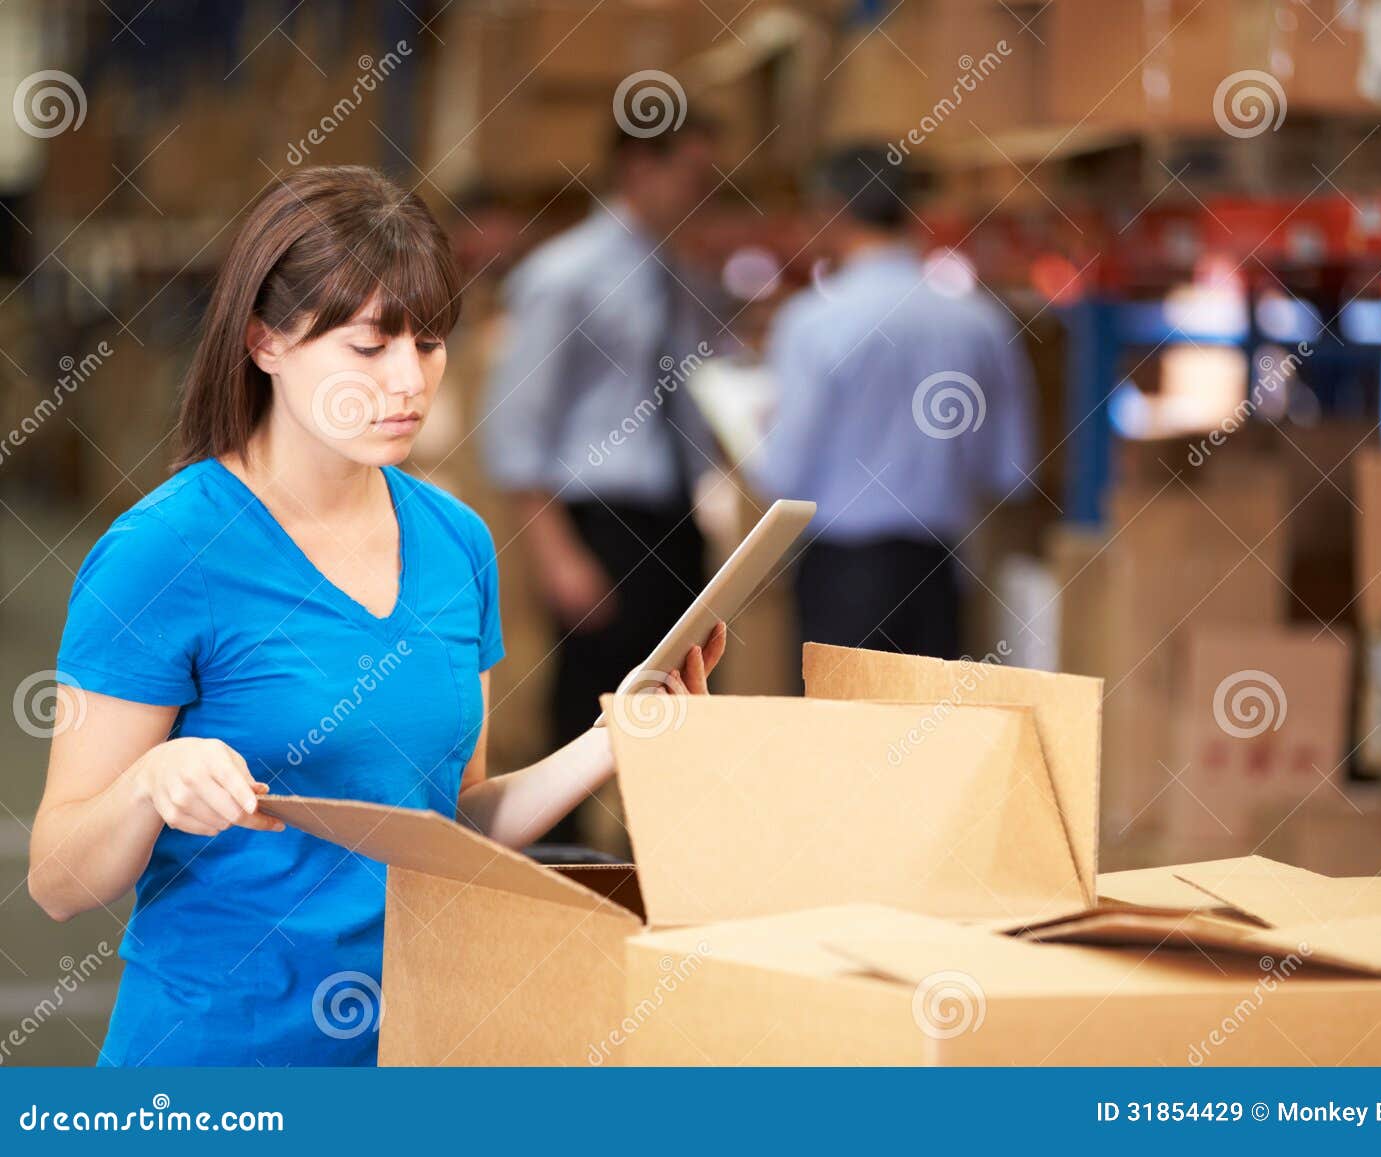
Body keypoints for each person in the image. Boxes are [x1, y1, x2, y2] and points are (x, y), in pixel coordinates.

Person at [26, 166, 725, 1067]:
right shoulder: (164, 552)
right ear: (265, 341)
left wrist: (615, 737)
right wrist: (147, 782)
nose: (408, 380)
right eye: (368, 346)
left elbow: (448, 822)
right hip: (222, 1059)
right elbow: (57, 881)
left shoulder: (456, 541)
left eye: (429, 342)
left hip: (413, 1047)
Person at [479, 117, 723, 839]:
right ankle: (562, 873)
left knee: (681, 708)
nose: (704, 195)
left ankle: (664, 875)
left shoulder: (677, 275)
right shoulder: (565, 275)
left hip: (674, 515)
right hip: (600, 521)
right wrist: (556, 551)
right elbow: (518, 424)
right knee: (585, 713)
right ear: (640, 169)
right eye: (693, 177)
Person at [750, 145, 1037, 660]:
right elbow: (1010, 472)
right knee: (928, 713)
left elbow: (782, 473)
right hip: (937, 572)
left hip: (839, 573)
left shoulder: (812, 321)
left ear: (831, 211)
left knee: (835, 714)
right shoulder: (979, 322)